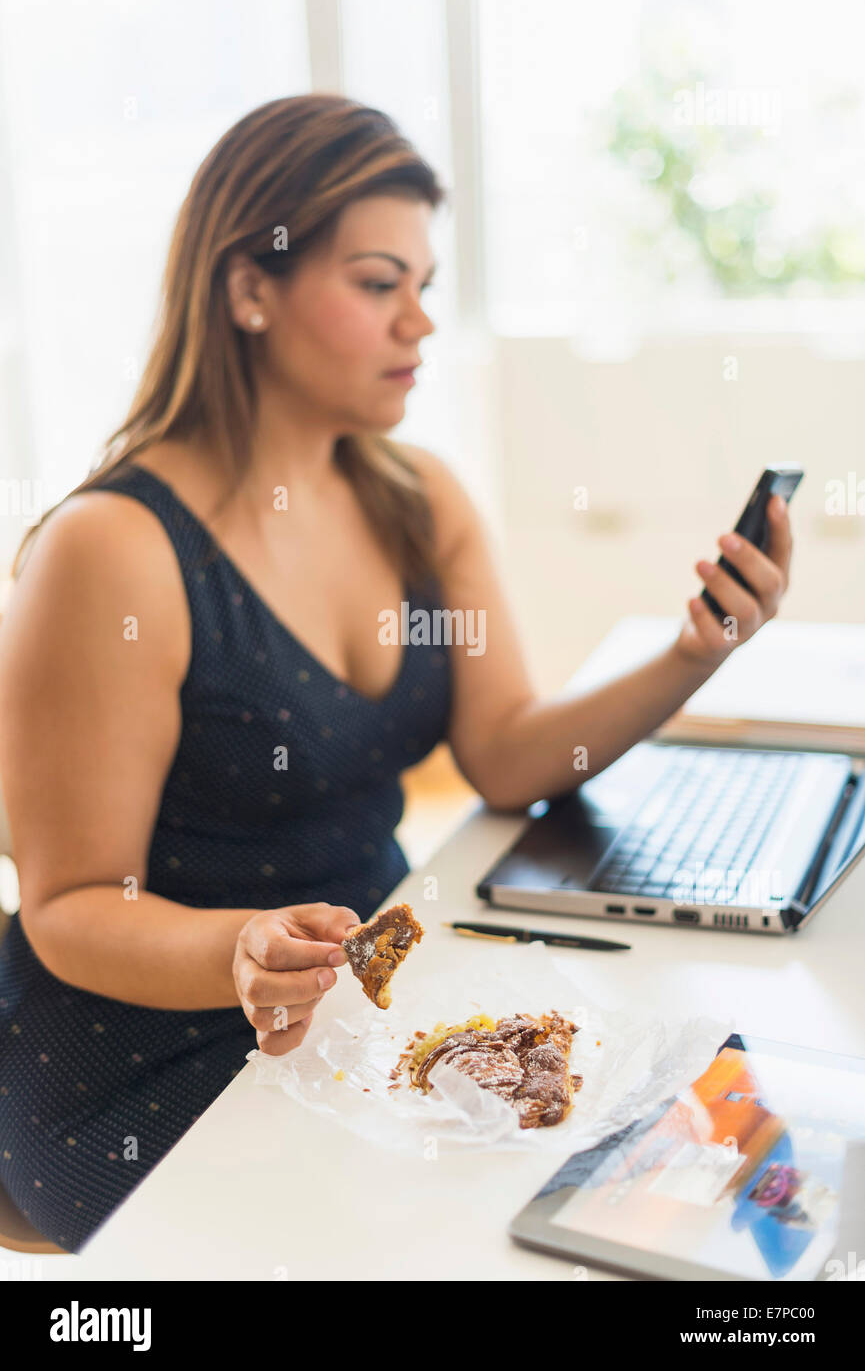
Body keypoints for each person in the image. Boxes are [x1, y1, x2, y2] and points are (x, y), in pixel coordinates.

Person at [0, 94, 792, 1252]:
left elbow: (511, 753)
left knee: (680, 1153)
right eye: (380, 283)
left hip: (359, 1022)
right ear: (249, 288)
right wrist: (240, 953)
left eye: (425, 284)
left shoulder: (420, 498)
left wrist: (693, 653)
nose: (420, 322)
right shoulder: (111, 550)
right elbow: (70, 908)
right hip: (139, 1054)